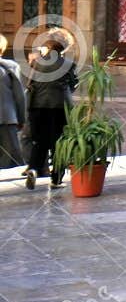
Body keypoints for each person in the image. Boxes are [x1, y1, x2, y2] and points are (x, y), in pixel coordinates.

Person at [22, 30, 76, 189]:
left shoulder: (37, 63)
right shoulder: (68, 64)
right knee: (58, 142)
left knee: (40, 141)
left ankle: (33, 169)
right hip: (58, 108)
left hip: (37, 107)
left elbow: (30, 84)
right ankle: (56, 179)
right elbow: (72, 86)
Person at [0, 35, 28, 171]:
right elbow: (19, 95)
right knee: (12, 158)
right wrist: (21, 118)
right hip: (7, 117)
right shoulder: (10, 66)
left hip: (6, 117)